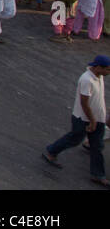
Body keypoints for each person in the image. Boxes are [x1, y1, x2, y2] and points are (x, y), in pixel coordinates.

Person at [42, 55, 110, 186]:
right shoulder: (87, 80)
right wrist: (92, 120)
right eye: (107, 69)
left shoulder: (99, 77)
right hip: (83, 118)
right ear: (98, 67)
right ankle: (52, 151)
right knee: (74, 138)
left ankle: (98, 175)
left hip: (97, 118)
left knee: (97, 147)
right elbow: (84, 103)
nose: (109, 72)